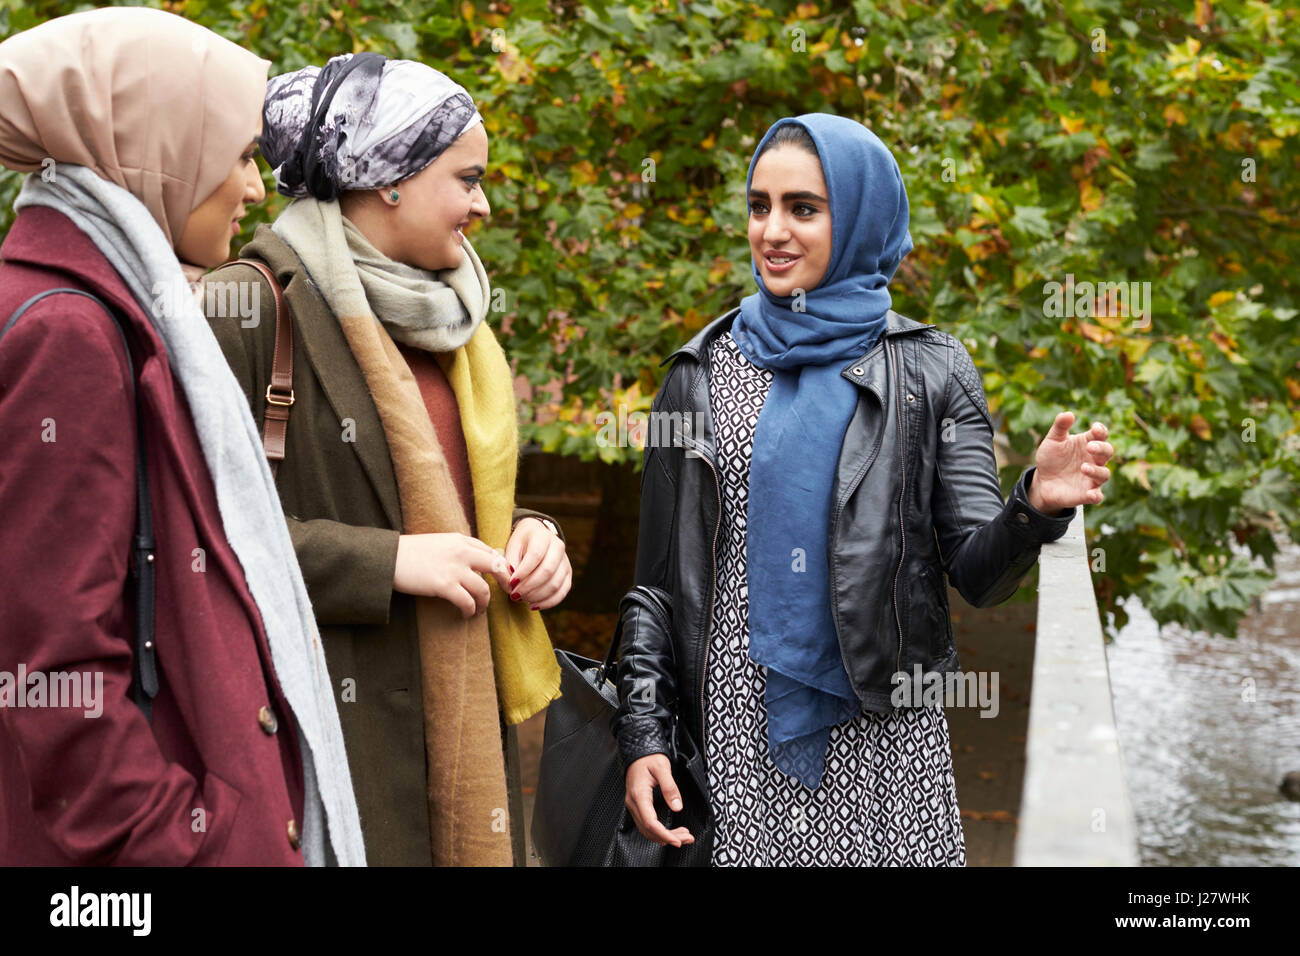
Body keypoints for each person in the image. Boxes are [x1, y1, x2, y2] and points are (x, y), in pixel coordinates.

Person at [614, 114, 1115, 866]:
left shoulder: (933, 370)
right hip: (734, 736)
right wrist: (644, 734)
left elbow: (978, 574)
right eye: (760, 206)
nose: (772, 231)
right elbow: (655, 585)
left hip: (883, 735)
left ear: (860, 218)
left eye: (803, 208)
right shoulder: (698, 373)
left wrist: (1034, 505)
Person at [0, 7, 364, 865]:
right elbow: (54, 665)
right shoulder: (69, 330)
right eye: (237, 154)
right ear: (156, 148)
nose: (254, 185)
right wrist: (187, 844)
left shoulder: (101, 304)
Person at [204, 53, 571, 866]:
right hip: (336, 739)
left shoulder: (454, 321)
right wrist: (388, 562)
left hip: (467, 728)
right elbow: (202, 536)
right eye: (467, 178)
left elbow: (466, 507)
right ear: (391, 177)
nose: (482, 204)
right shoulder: (249, 306)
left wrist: (532, 538)